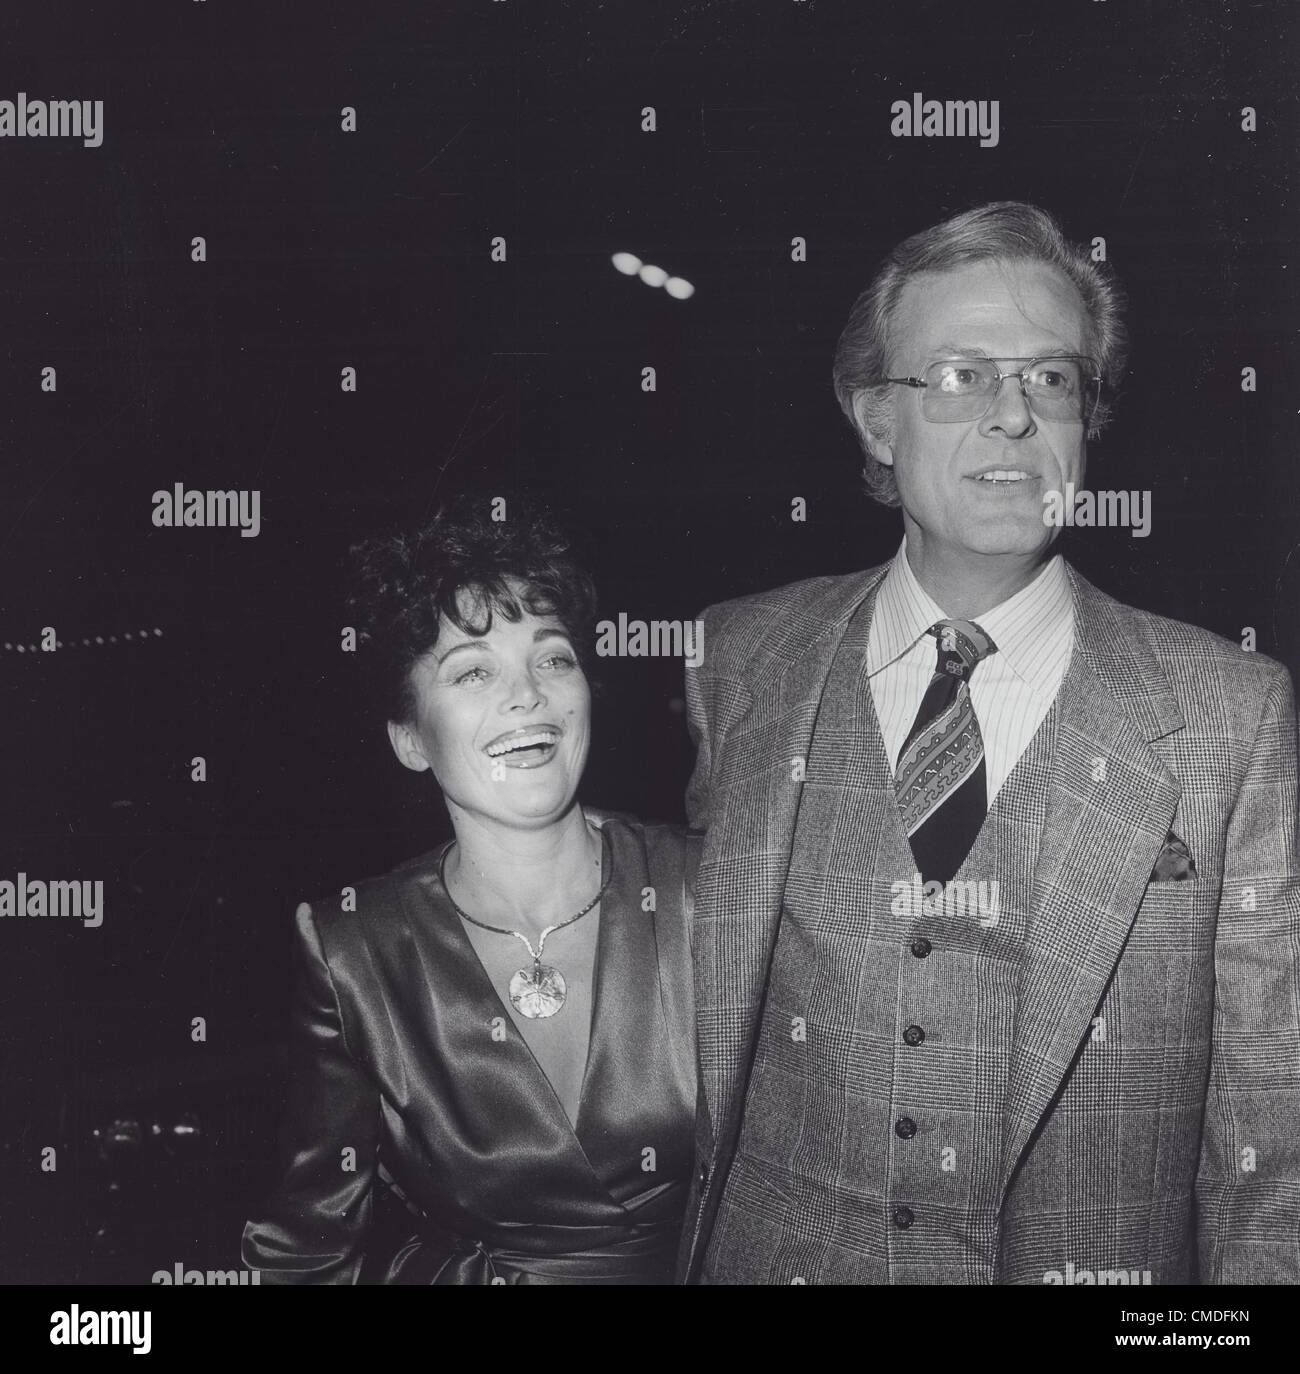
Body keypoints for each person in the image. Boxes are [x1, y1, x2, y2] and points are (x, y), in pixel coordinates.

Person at [678, 201, 1300, 1285]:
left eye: (1050, 379)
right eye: (961, 375)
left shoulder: (1229, 714)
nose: (1014, 417)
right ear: (877, 420)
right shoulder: (739, 662)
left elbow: (1270, 1164)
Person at [242, 500, 696, 1283]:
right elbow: (305, 1245)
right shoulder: (352, 944)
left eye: (552, 658)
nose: (528, 696)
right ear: (411, 738)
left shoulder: (705, 884)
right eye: (474, 671)